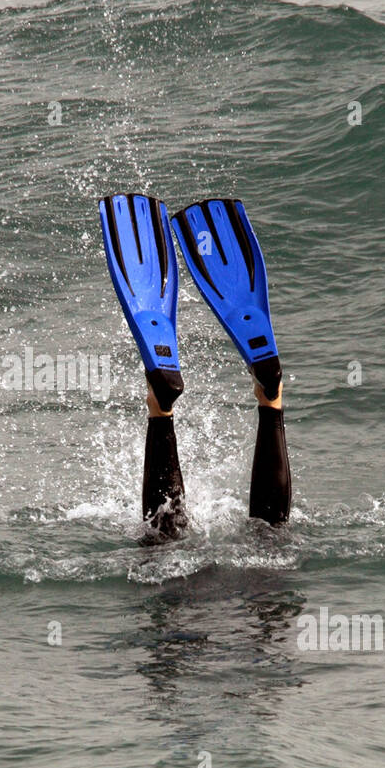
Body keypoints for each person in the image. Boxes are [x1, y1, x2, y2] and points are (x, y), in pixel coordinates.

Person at [98, 194, 291, 540]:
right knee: (268, 541)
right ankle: (267, 395)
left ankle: (266, 396)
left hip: (206, 586)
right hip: (259, 587)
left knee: (261, 536)